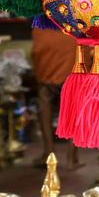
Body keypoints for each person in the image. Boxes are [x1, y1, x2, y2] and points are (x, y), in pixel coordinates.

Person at [30, 27, 85, 169]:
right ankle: (72, 157)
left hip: (46, 33)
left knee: (44, 91)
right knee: (75, 93)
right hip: (73, 33)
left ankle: (49, 151)